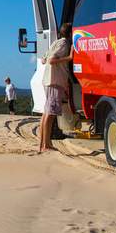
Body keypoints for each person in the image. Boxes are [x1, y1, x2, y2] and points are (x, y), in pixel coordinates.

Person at [40, 24, 73, 152]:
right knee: (51, 113)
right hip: (55, 81)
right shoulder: (64, 43)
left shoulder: (56, 42)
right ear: (70, 34)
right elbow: (51, 60)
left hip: (48, 80)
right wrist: (69, 58)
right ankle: (46, 145)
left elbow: (44, 60)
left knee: (46, 113)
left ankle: (43, 144)